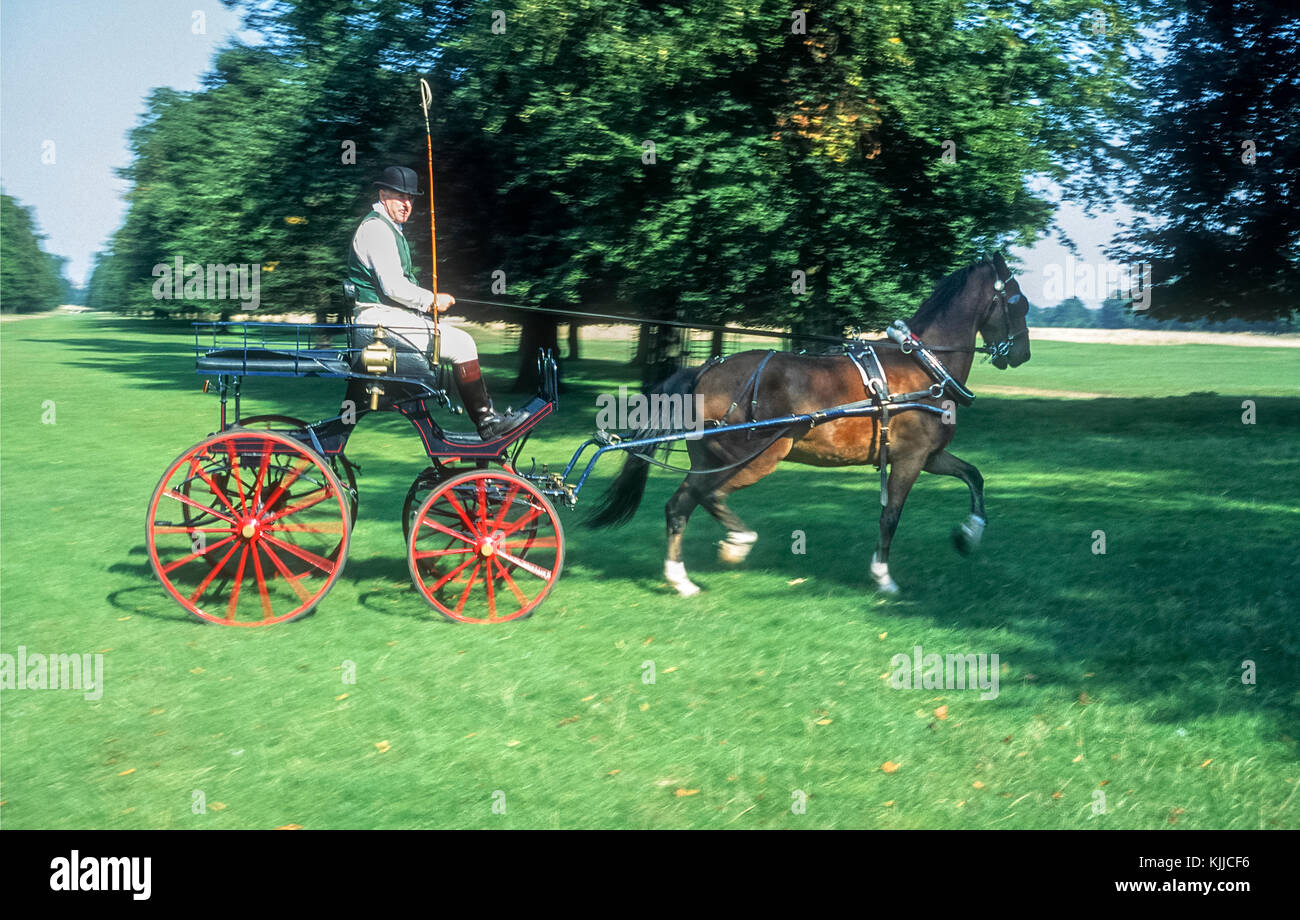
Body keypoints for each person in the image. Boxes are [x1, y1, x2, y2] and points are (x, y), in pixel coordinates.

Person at [344, 165, 527, 440]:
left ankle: (486, 418)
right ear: (383, 195)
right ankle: (486, 421)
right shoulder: (377, 231)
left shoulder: (388, 228)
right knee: (462, 343)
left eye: (410, 198)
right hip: (378, 321)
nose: (406, 204)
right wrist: (430, 300)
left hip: (385, 318)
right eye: (399, 197)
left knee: (456, 339)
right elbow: (393, 287)